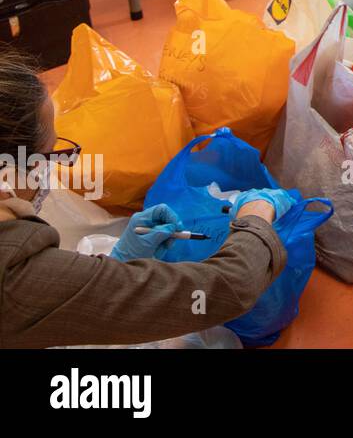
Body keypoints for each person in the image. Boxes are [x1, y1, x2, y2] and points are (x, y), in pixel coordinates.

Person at [0, 47, 292, 349]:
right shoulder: (16, 277)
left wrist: (117, 263)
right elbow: (226, 287)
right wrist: (257, 215)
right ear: (7, 174)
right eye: (48, 155)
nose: (50, 170)